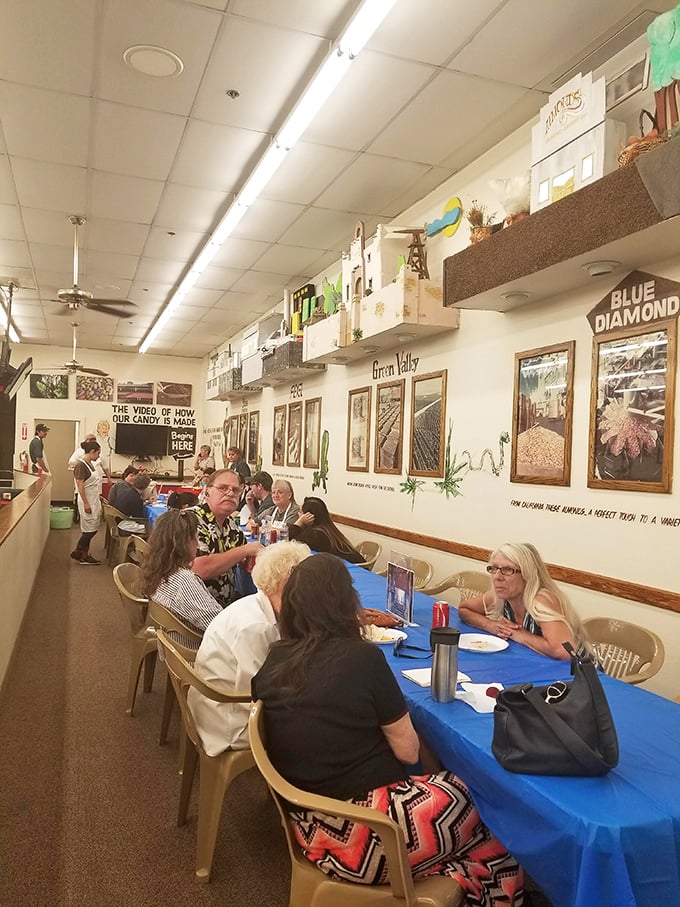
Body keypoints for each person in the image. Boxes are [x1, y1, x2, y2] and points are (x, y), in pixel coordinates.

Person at [252, 555, 524, 907]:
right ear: (345, 604)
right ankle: (487, 886)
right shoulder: (362, 658)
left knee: (473, 818)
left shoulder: (275, 658)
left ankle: (462, 880)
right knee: (491, 800)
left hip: (309, 824)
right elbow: (408, 753)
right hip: (367, 834)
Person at [188, 540, 311, 756]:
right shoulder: (257, 627)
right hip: (229, 723)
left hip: (213, 704)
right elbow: (255, 694)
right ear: (285, 583)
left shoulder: (255, 605)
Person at [458, 542, 590, 661]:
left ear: (527, 575)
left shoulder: (542, 599)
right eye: (494, 568)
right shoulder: (502, 594)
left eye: (508, 570)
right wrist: (491, 626)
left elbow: (562, 651)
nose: (497, 577)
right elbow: (464, 610)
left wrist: (518, 634)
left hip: (580, 675)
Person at [141, 509, 221, 637]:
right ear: (184, 543)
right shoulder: (184, 581)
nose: (198, 545)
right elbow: (220, 626)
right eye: (196, 537)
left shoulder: (157, 569)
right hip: (194, 651)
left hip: (173, 648)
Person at [190, 468, 263, 608]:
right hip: (196, 609)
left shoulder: (231, 524)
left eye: (235, 490)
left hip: (224, 604)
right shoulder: (191, 520)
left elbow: (245, 559)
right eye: (223, 488)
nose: (230, 493)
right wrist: (244, 551)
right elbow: (199, 569)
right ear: (207, 492)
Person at [288, 496, 363, 563]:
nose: (298, 514)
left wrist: (299, 522)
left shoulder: (317, 534)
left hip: (354, 569)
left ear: (309, 516)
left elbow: (291, 542)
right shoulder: (326, 527)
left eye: (300, 512)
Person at [70, 440, 103, 565]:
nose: (99, 456)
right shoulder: (81, 465)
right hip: (87, 500)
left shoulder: (90, 464)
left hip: (93, 499)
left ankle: (84, 554)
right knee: (90, 530)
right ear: (92, 452)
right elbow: (80, 486)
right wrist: (86, 503)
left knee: (92, 527)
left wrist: (98, 497)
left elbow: (92, 484)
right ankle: (78, 551)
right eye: (98, 453)